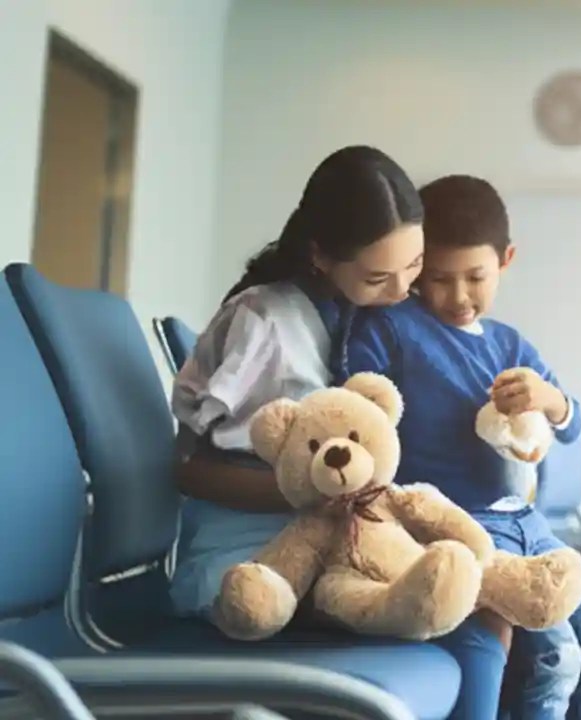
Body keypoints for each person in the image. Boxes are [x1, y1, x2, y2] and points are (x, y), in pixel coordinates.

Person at [167, 146, 511, 720]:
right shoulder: (266, 323)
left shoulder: (357, 314)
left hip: (335, 537)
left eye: (414, 265)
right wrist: (317, 491)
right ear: (321, 256)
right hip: (257, 560)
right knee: (472, 618)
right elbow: (188, 468)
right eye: (380, 276)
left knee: (491, 604)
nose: (404, 289)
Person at [339, 175, 581, 720]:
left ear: (506, 261)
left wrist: (551, 400)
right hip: (455, 525)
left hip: (527, 524)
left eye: (476, 277)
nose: (458, 297)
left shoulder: (509, 344)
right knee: (554, 656)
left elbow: (572, 426)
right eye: (439, 279)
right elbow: (358, 408)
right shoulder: (392, 327)